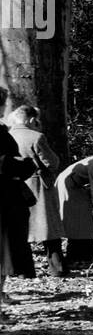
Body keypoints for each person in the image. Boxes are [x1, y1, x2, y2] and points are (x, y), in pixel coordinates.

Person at [6, 104, 65, 277]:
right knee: (49, 228)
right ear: (32, 120)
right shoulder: (36, 136)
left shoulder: (7, 135)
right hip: (38, 186)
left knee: (19, 230)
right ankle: (57, 267)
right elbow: (52, 163)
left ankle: (21, 271)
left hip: (13, 187)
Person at [0, 87, 37, 307]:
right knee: (4, 248)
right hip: (4, 198)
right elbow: (5, 163)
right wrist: (26, 165)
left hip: (7, 195)